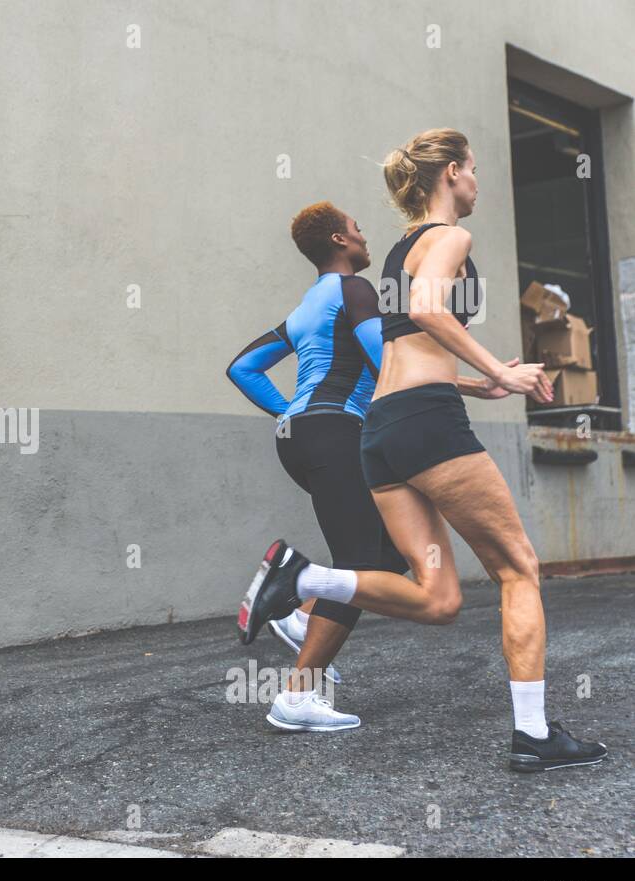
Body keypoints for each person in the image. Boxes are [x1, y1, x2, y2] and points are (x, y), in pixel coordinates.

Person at [239, 129, 606, 772]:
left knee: (439, 597)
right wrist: (506, 370)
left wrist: (478, 381)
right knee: (519, 569)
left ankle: (303, 579)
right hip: (426, 424)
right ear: (451, 175)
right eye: (472, 170)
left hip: (383, 428)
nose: (477, 181)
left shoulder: (397, 252)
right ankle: (533, 734)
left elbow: (409, 343)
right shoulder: (449, 237)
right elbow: (432, 311)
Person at [226, 202, 407, 731]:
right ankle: (297, 693)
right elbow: (385, 360)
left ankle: (304, 617)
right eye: (358, 228)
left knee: (388, 552)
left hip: (302, 437)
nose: (364, 234)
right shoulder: (356, 290)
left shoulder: (307, 305)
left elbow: (242, 367)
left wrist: (290, 412)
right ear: (339, 240)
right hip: (337, 432)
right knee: (356, 563)